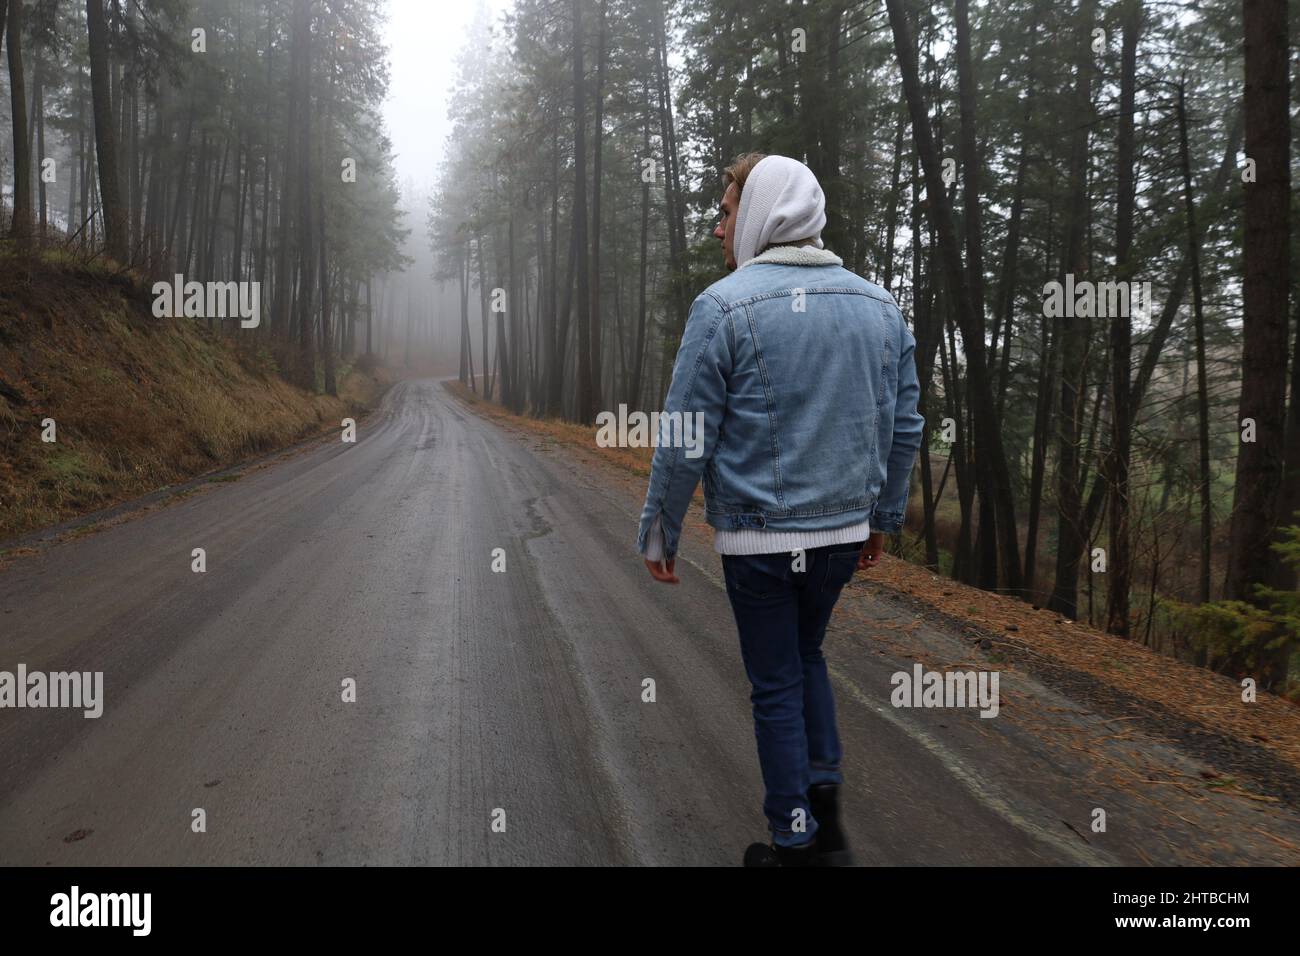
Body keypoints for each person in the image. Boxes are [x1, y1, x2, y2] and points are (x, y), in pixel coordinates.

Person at [636, 153, 924, 867]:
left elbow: (685, 434)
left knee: (774, 684)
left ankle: (794, 843)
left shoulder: (725, 306)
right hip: (841, 536)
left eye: (728, 211)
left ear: (762, 213)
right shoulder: (880, 306)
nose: (717, 227)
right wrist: (882, 517)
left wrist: (660, 528)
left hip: (761, 541)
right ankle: (822, 801)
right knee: (808, 653)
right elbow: (906, 423)